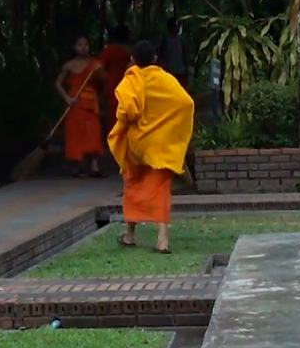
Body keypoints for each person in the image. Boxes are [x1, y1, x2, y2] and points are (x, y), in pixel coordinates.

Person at [108, 40, 195, 254]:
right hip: (159, 144)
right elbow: (186, 103)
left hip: (137, 143)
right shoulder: (165, 79)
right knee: (161, 187)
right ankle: (162, 240)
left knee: (133, 184)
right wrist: (165, 127)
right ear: (155, 59)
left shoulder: (131, 79)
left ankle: (130, 235)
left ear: (132, 60)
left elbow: (126, 111)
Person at [55, 36, 105, 178]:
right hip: (74, 102)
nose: (83, 47)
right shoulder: (68, 65)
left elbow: (103, 81)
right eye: (79, 44)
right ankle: (76, 167)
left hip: (90, 101)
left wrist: (99, 72)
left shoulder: (95, 64)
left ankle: (94, 166)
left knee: (93, 132)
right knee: (74, 133)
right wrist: (67, 98)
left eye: (85, 44)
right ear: (74, 47)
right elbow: (58, 83)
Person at [97, 25, 134, 172]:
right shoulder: (127, 51)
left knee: (114, 116)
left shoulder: (110, 50)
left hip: (113, 84)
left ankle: (115, 146)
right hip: (125, 83)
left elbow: (99, 67)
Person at [155, 18, 189, 86]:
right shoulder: (164, 39)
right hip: (168, 72)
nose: (177, 28)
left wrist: (186, 69)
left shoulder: (182, 39)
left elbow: (185, 55)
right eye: (175, 26)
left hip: (180, 72)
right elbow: (160, 54)